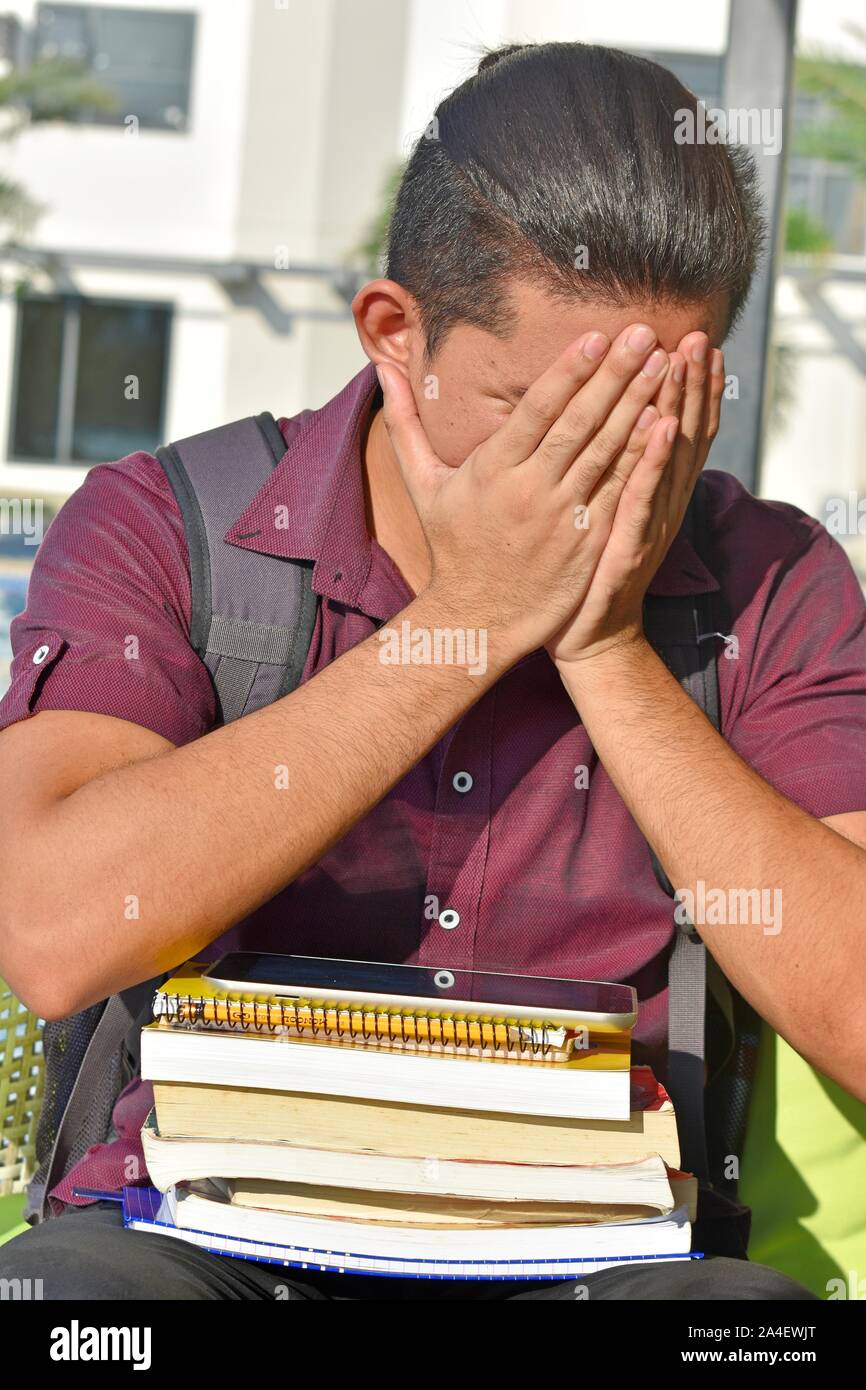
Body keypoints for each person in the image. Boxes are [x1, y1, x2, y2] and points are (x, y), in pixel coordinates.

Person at [1, 41, 862, 1301]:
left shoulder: (771, 578)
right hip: (196, 1239)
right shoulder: (168, 526)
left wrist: (606, 649)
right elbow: (57, 934)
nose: (599, 474)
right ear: (397, 337)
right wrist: (460, 623)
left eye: (648, 416)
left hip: (600, 1262)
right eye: (547, 413)